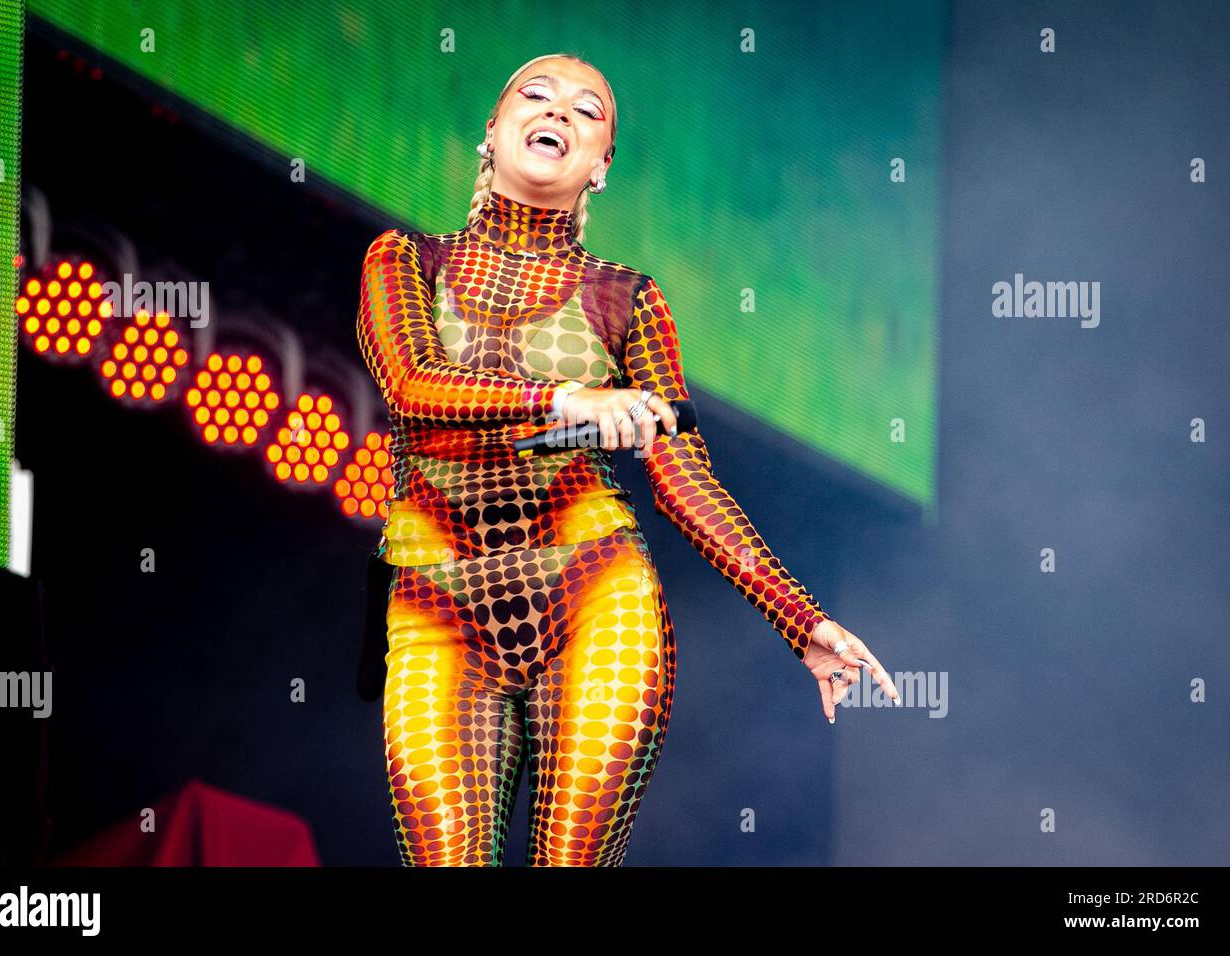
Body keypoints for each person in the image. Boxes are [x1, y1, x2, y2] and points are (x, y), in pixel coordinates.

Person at [356, 52, 900, 867]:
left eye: (588, 112)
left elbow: (684, 477)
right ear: (492, 131)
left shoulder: (627, 297)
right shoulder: (405, 260)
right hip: (437, 599)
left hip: (592, 590)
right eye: (537, 96)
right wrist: (566, 402)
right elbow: (412, 389)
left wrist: (802, 619)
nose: (560, 112)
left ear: (601, 167)